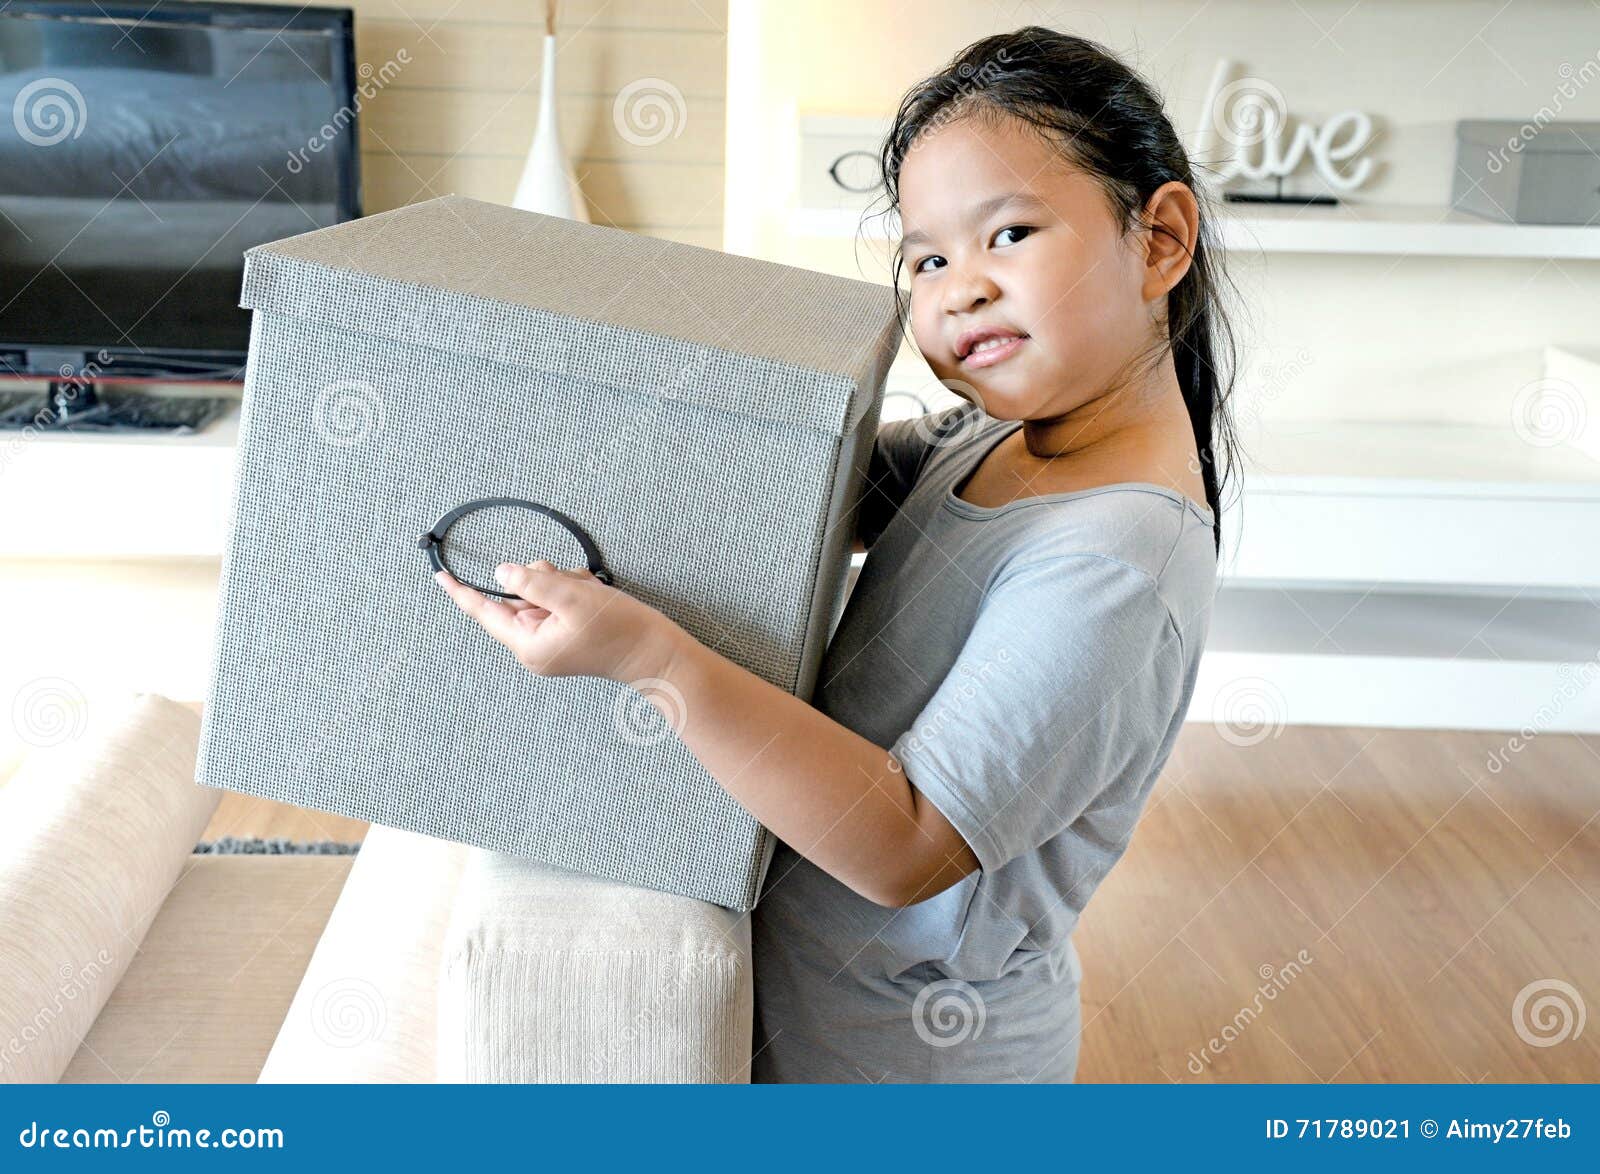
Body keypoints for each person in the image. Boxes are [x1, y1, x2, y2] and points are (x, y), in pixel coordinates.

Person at [435, 25, 1241, 1083]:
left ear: (1161, 240)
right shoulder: (989, 440)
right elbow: (809, 481)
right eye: (928, 258)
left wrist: (652, 659)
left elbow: (906, 841)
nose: (960, 289)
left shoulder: (1116, 563)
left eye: (1008, 234)